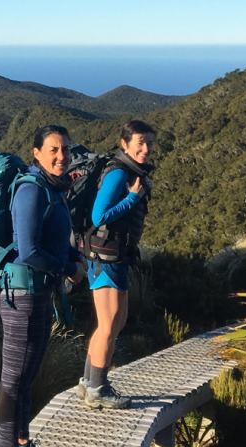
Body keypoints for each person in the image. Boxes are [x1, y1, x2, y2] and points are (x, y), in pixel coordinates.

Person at [0, 125, 86, 447]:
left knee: (27, 375)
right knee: (13, 378)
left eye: (64, 149)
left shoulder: (53, 189)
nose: (60, 156)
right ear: (36, 152)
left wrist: (75, 259)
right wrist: (68, 269)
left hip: (39, 292)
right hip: (21, 295)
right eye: (52, 150)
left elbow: (57, 241)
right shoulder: (31, 190)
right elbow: (28, 250)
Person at [80, 120, 156, 409]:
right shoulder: (118, 173)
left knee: (115, 322)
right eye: (140, 142)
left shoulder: (130, 171)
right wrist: (132, 198)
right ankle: (97, 389)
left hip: (116, 257)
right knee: (109, 324)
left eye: (149, 142)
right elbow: (100, 216)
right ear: (124, 144)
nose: (146, 148)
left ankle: (88, 382)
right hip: (105, 257)